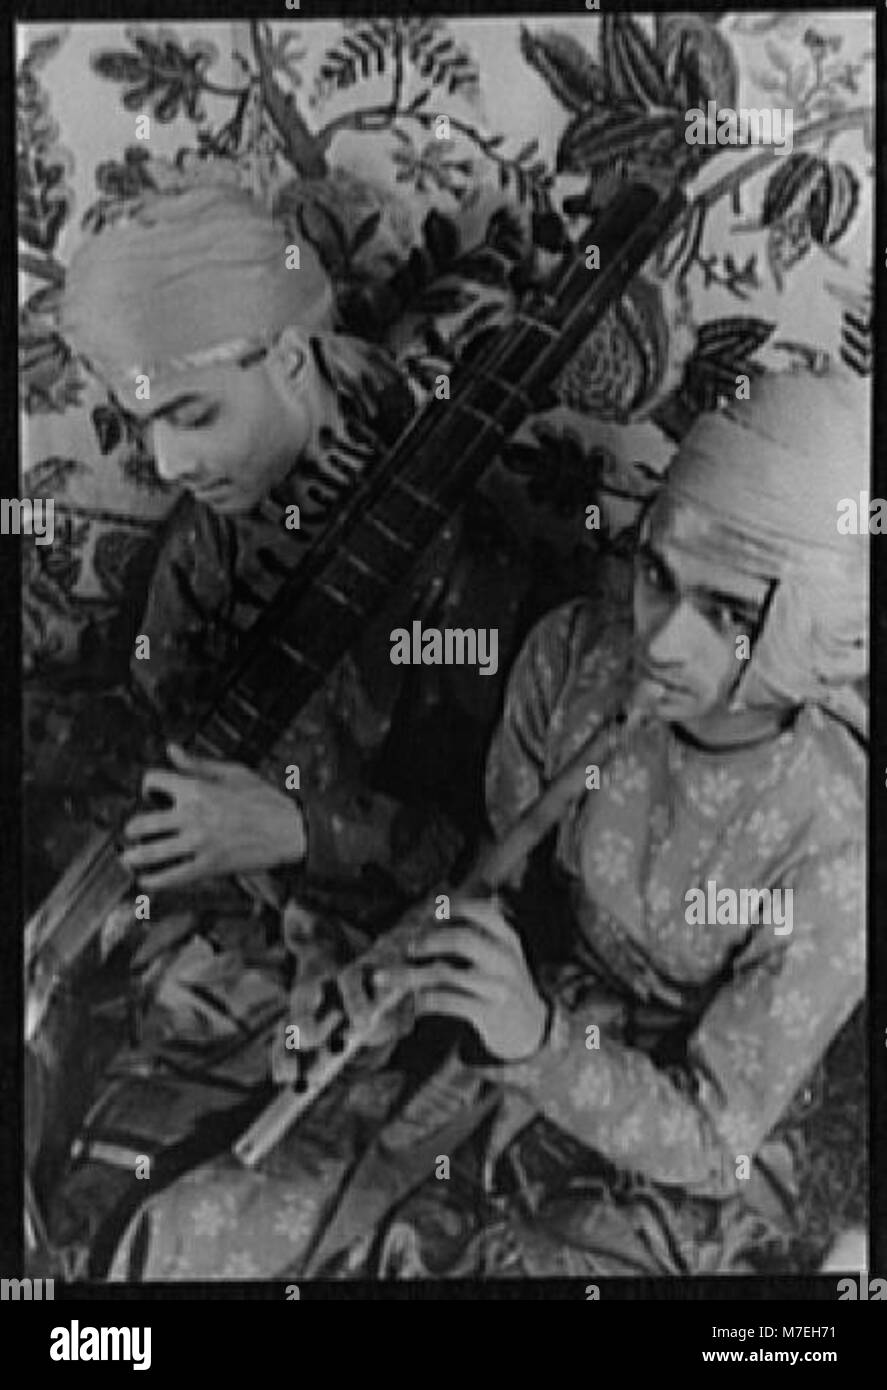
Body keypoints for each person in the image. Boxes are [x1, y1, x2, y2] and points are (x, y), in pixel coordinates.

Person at [99, 364, 867, 1279]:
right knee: (197, 1231)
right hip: (501, 1044)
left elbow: (716, 1140)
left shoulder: (834, 835)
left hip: (660, 1154)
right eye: (658, 576)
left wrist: (537, 1041)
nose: (661, 640)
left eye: (727, 613)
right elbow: (492, 886)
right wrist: (386, 987)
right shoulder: (575, 657)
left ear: (807, 627)